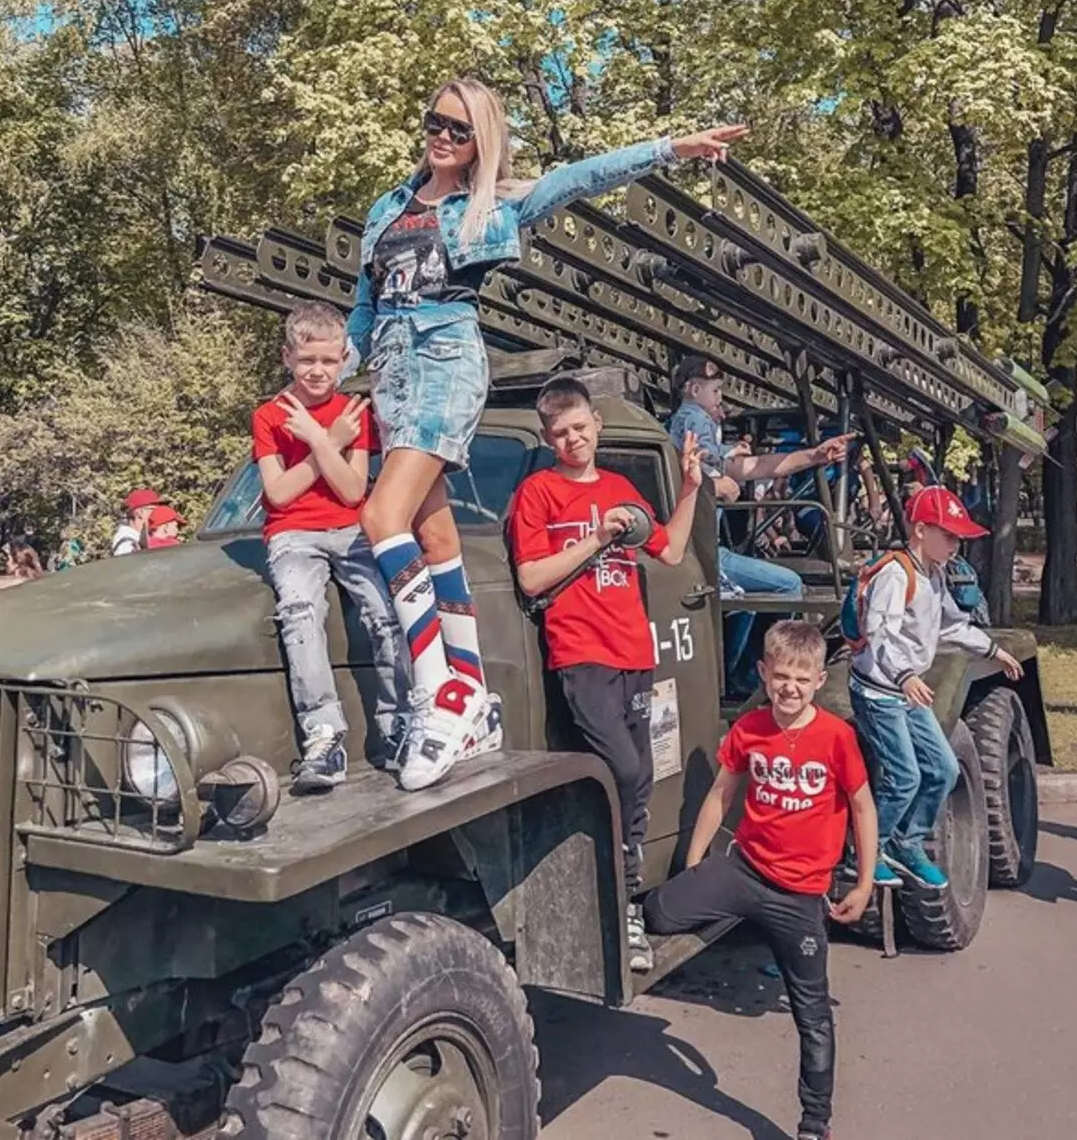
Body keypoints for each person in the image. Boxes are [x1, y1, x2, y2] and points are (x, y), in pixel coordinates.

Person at [346, 76, 747, 790]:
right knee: (436, 535)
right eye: (435, 121)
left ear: (481, 143)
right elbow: (362, 308)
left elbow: (575, 179)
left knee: (382, 514)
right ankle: (468, 690)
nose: (442, 135)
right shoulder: (387, 206)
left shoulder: (490, 206)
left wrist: (668, 148)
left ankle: (440, 690)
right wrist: (328, 385)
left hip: (445, 361)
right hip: (389, 374)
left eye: (460, 130)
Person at [645, 621, 878, 1140]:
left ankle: (815, 1123)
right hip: (745, 869)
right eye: (780, 677)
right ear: (764, 673)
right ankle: (727, 908)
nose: (789, 688)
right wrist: (696, 861)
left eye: (801, 678)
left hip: (800, 895)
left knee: (812, 1015)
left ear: (819, 679)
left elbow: (863, 808)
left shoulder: (837, 738)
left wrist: (862, 884)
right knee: (659, 913)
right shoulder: (750, 728)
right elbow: (720, 795)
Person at [509, 375, 706, 973]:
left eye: (580, 427)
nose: (573, 439)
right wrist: (596, 536)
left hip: (634, 653)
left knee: (639, 772)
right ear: (549, 438)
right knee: (622, 768)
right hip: (581, 651)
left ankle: (628, 901)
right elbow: (531, 579)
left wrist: (691, 488)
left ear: (597, 424)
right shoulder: (539, 493)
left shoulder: (621, 486)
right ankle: (622, 900)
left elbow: (669, 551)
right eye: (560, 433)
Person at [253, 300, 411, 791]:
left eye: (328, 360)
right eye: (307, 361)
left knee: (386, 612)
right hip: (292, 535)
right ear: (287, 357)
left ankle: (400, 722)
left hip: (350, 530)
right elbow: (277, 494)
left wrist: (320, 439)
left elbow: (351, 490)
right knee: (300, 610)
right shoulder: (268, 417)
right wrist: (330, 441)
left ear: (345, 359)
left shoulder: (355, 413)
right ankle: (324, 736)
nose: (318, 371)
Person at [848, 485, 1023, 888]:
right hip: (879, 691)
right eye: (949, 536)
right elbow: (879, 635)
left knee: (943, 769)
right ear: (921, 530)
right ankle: (866, 850)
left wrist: (993, 649)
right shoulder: (895, 574)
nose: (955, 546)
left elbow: (952, 625)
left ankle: (905, 843)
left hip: (906, 691)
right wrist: (904, 677)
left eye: (959, 538)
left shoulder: (934, 573)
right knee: (904, 776)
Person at [667, 355, 852, 692]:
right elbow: (704, 469)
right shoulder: (694, 418)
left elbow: (756, 466)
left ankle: (740, 673)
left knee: (765, 590)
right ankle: (740, 677)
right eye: (717, 390)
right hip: (702, 549)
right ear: (694, 389)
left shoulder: (692, 422)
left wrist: (813, 456)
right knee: (781, 587)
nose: (721, 399)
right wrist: (718, 484)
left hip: (705, 547)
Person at [112, 488, 162, 556]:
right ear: (139, 512)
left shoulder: (139, 537)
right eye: (153, 510)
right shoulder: (127, 543)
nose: (158, 513)